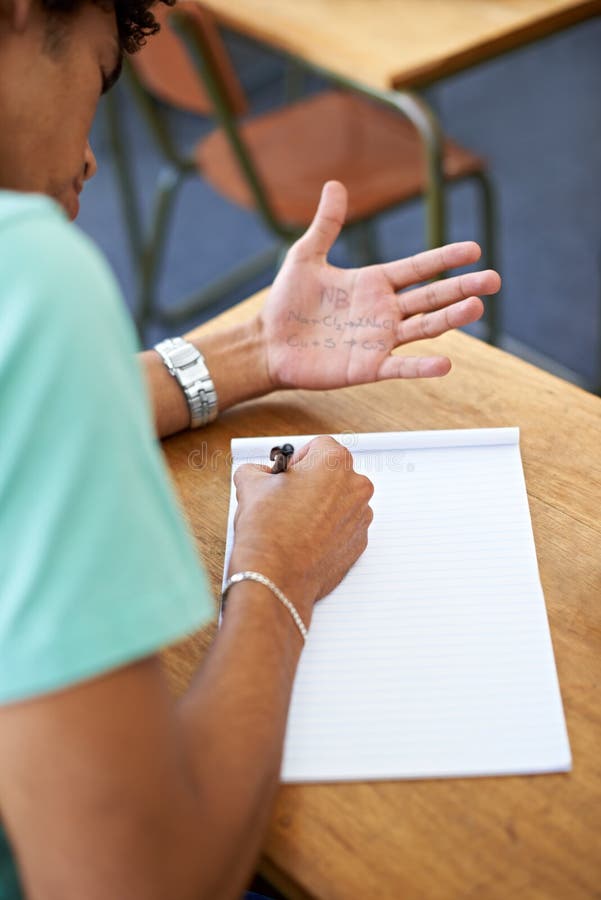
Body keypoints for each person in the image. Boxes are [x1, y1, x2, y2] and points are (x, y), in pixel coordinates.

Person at [0, 0, 501, 896]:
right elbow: (140, 881)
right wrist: (278, 570)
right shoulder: (30, 273)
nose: (88, 157)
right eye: (96, 76)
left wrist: (245, 354)